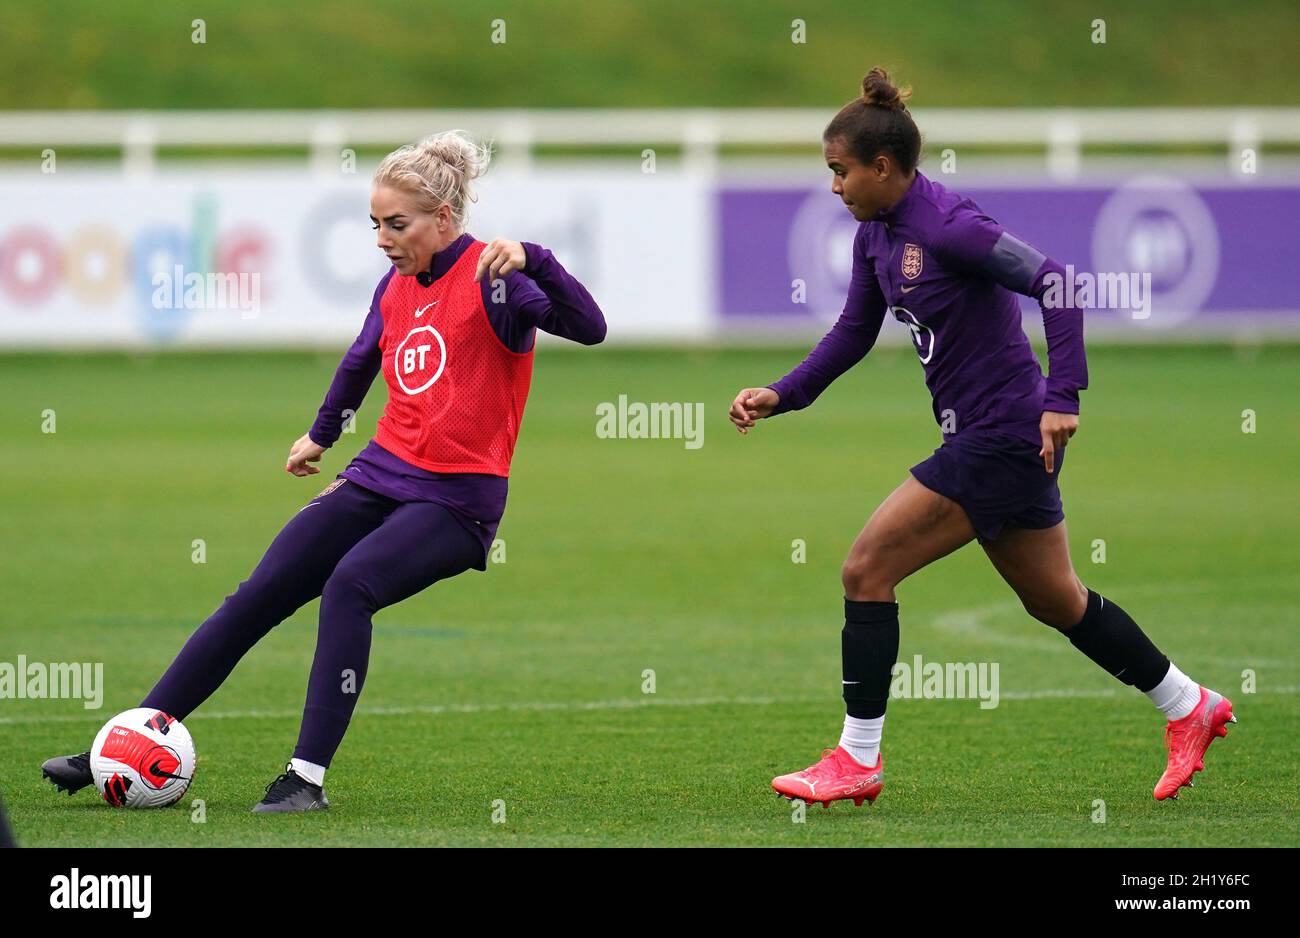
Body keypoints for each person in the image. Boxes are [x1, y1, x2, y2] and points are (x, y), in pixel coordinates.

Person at [42, 130, 606, 812]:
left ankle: (304, 780)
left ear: (445, 220)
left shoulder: (498, 282)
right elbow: (362, 356)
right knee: (259, 594)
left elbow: (590, 326)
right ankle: (129, 741)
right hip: (379, 474)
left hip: (459, 501)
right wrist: (320, 432)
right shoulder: (396, 285)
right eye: (375, 223)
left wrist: (538, 259)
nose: (382, 238)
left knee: (350, 587)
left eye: (396, 224)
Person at [728, 69, 1235, 808]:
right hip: (1004, 444)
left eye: (840, 171)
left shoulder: (949, 227)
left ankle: (857, 759)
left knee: (866, 570)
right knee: (1058, 602)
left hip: (1000, 436)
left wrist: (1064, 396)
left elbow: (1058, 283)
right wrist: (784, 394)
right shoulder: (876, 236)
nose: (834, 186)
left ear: (881, 166)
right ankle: (1189, 704)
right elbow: (850, 335)